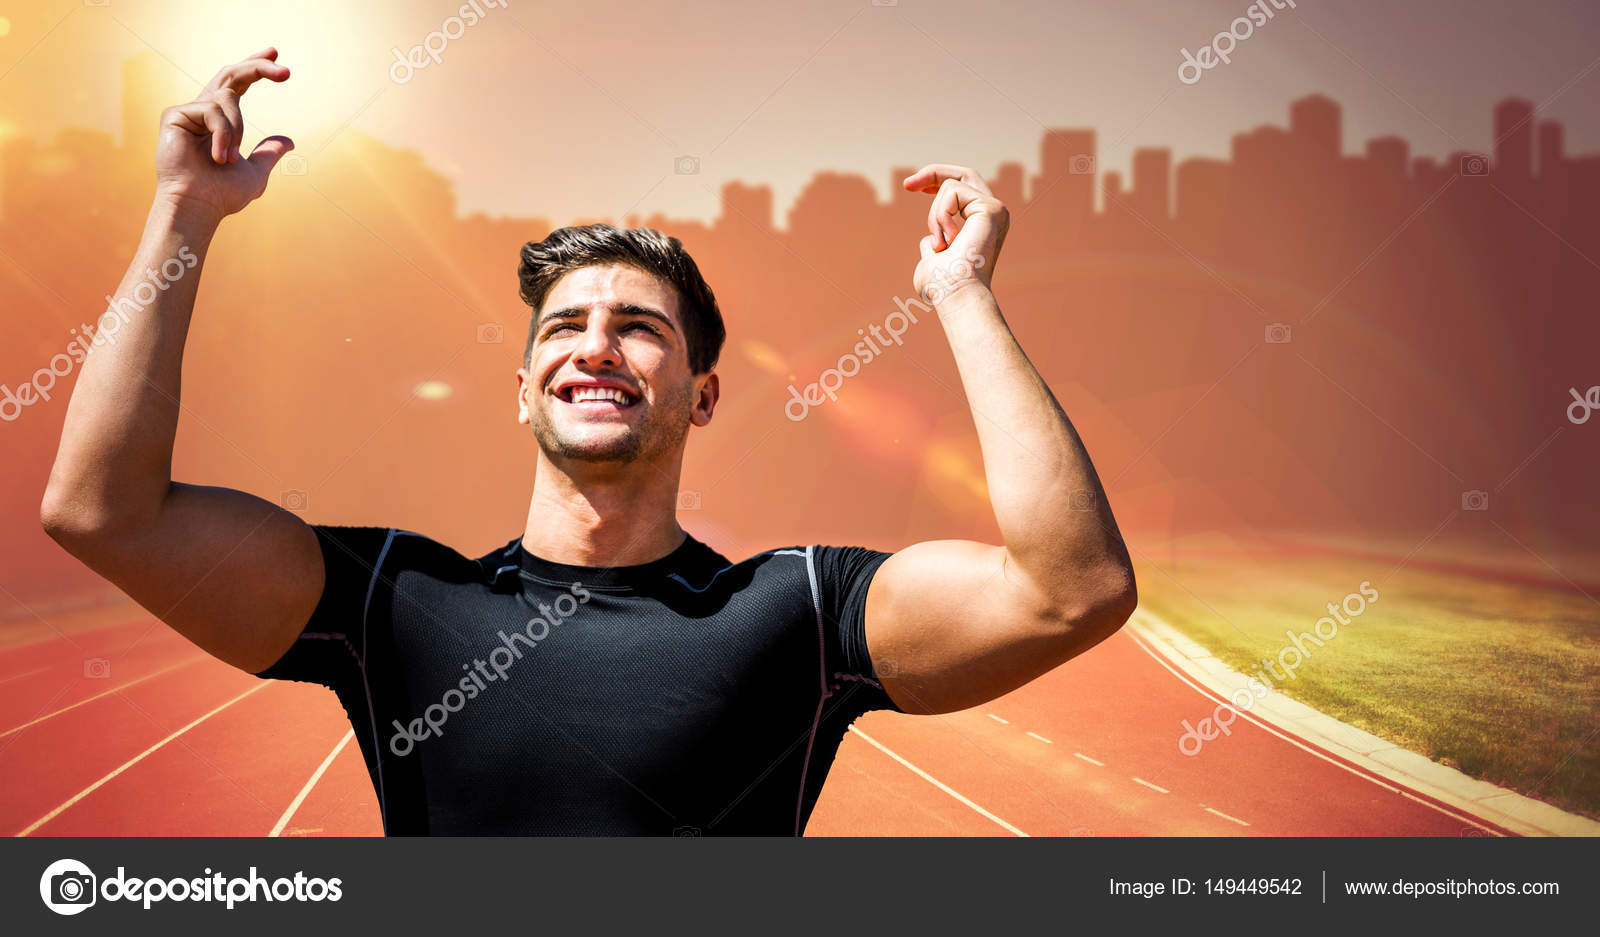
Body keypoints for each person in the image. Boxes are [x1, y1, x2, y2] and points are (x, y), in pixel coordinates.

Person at [41, 49, 1137, 835]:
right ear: (524, 392)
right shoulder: (389, 600)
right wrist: (182, 215)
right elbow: (103, 511)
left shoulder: (800, 611)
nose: (596, 346)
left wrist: (957, 292)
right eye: (565, 326)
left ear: (703, 397)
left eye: (639, 329)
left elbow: (1070, 589)